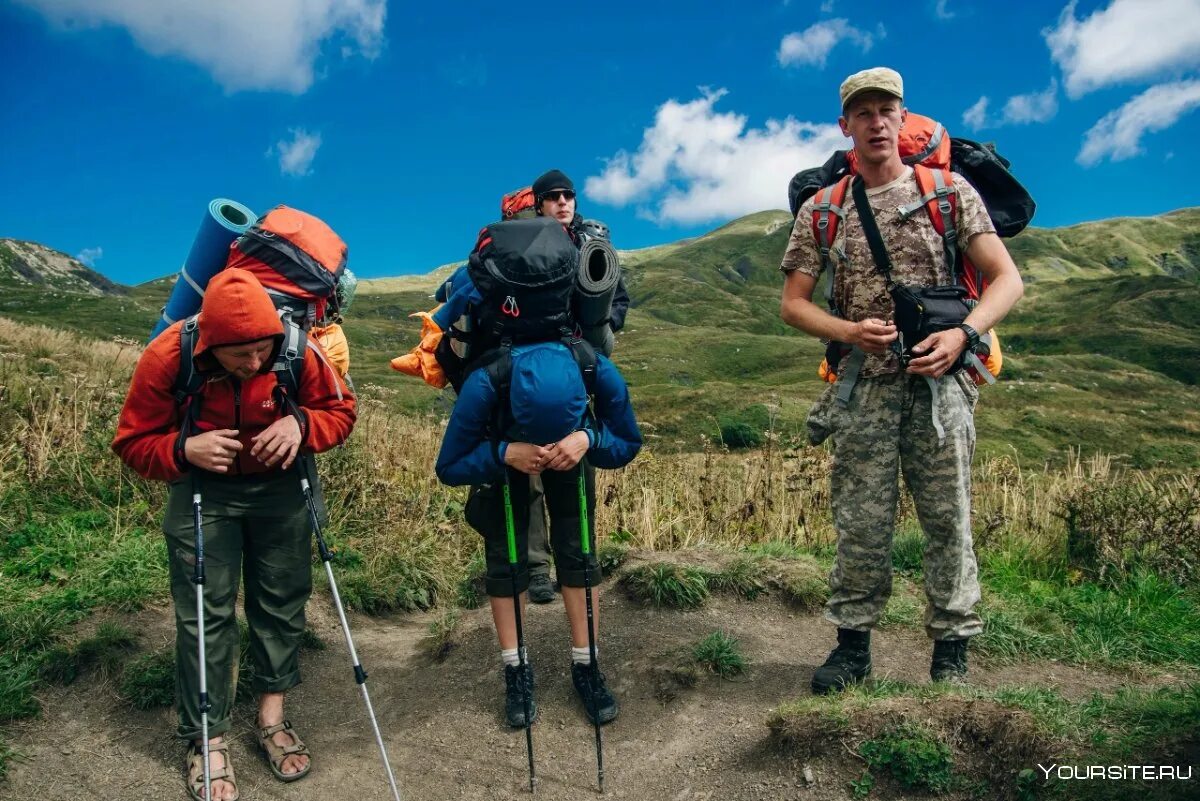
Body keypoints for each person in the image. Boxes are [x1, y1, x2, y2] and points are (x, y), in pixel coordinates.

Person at [779, 67, 1024, 693]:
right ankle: (852, 649)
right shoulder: (824, 208)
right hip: (864, 389)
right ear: (847, 125)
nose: (876, 121)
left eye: (886, 109)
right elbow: (793, 303)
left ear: (902, 116)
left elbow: (1007, 279)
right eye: (863, 113)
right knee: (861, 522)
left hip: (942, 385)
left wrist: (964, 334)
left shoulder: (949, 193)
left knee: (949, 520)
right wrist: (848, 331)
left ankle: (951, 654)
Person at [112, 268, 356, 800]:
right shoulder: (166, 357)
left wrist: (302, 426)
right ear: (211, 344)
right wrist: (182, 451)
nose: (254, 364)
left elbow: (341, 410)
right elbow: (131, 441)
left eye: (262, 351)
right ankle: (208, 736)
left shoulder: (295, 348)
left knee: (283, 601)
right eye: (240, 355)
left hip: (283, 490)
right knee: (204, 612)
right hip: (203, 489)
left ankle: (272, 716)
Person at [435, 339, 641, 727]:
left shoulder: (592, 366)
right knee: (505, 558)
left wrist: (586, 438)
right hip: (504, 437)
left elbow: (628, 441)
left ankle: (587, 663)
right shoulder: (486, 382)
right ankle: (516, 669)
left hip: (574, 446)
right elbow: (449, 465)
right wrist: (503, 452)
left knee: (578, 551)